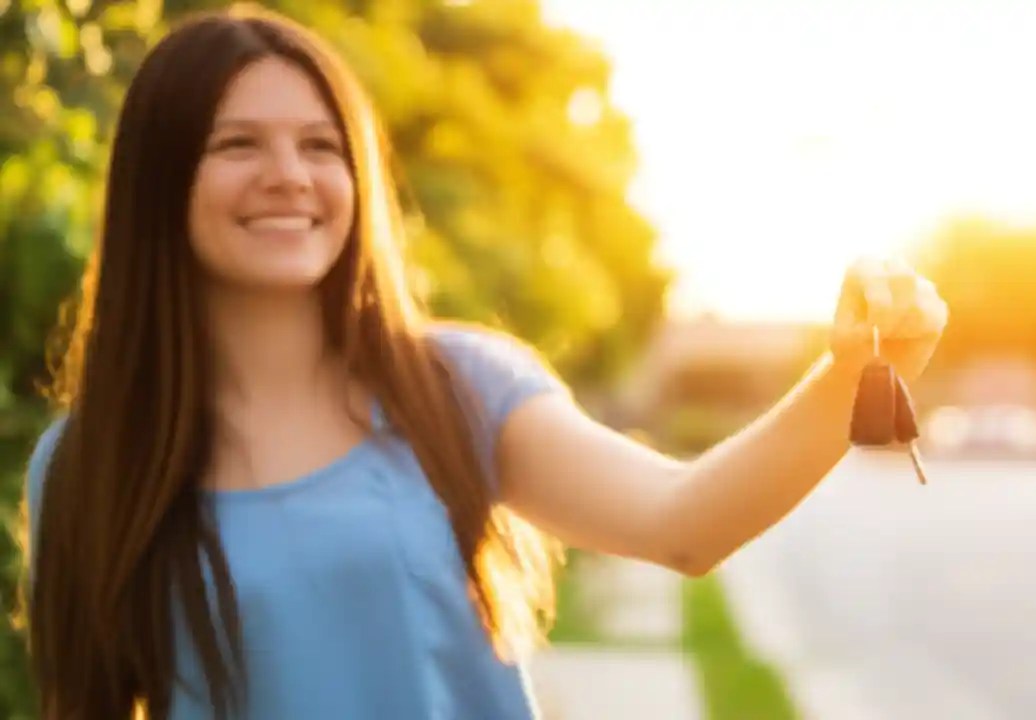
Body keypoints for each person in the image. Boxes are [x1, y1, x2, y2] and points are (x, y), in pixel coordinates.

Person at [20, 5, 948, 719]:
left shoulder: (458, 390)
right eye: (237, 145)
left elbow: (684, 524)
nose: (291, 176)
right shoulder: (85, 465)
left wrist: (848, 377)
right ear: (159, 182)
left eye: (320, 146)